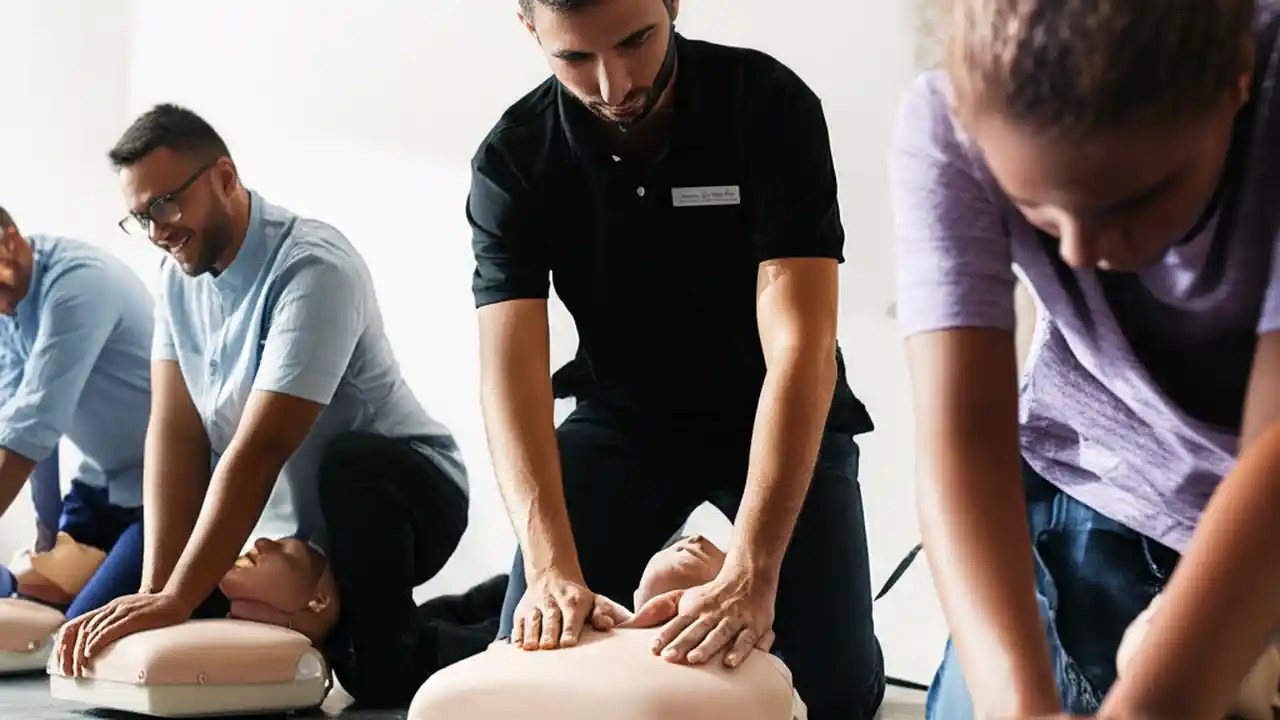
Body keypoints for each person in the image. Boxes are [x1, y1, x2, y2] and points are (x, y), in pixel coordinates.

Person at [468, 1, 882, 717]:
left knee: (835, 695)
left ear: (673, 4)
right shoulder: (514, 158)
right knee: (533, 657)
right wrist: (548, 568)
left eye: (636, 42)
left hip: (774, 407)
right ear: (530, 29)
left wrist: (753, 569)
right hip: (624, 418)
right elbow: (511, 379)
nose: (614, 83)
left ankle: (722, 562)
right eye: (575, 59)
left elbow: (799, 348)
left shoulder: (767, 105)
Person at [890, 0, 1280, 716]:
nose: (1078, 254)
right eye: (1038, 213)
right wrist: (1023, 705)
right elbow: (963, 442)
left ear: (1237, 82)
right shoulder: (947, 121)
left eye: (1134, 202)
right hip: (1100, 478)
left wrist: (1155, 697)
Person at [52, 104, 472, 708]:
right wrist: (157, 590)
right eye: (139, 216)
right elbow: (175, 435)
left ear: (224, 177)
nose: (156, 231)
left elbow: (259, 449)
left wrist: (176, 598)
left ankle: (491, 615)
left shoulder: (312, 266)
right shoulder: (177, 278)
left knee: (379, 671)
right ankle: (412, 618)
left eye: (165, 204)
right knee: (95, 639)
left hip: (399, 497)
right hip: (283, 532)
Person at [408, 535, 806, 720]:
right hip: (615, 406)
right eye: (675, 543)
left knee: (842, 691)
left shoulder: (750, 659)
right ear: (635, 592)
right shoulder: (592, 619)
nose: (696, 539)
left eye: (714, 551)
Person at [0, 206, 153, 620]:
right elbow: (20, 427)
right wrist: (47, 531)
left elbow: (35, 422)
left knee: (79, 628)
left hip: (164, 491)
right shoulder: (6, 309)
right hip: (97, 487)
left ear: (9, 241)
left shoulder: (79, 285)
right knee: (23, 597)